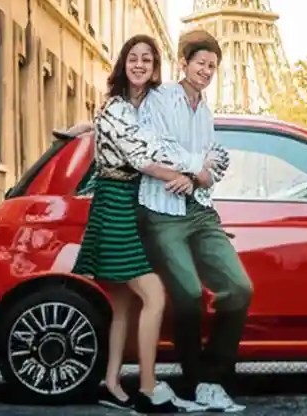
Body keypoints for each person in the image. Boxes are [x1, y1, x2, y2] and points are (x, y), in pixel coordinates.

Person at [72, 34, 223, 414]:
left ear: (156, 68)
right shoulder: (119, 108)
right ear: (123, 63)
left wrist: (83, 128)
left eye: (148, 60)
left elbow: (155, 142)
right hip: (117, 204)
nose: (139, 65)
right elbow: (143, 158)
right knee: (154, 296)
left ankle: (110, 383)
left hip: (135, 202)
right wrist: (195, 173)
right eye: (133, 58)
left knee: (124, 305)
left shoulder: (144, 107)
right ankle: (148, 388)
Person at [137, 30, 252, 414]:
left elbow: (213, 157)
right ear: (183, 63)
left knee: (238, 288)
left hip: (199, 210)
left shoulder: (204, 110)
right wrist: (194, 169)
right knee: (187, 295)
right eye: (201, 63)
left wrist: (204, 172)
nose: (206, 71)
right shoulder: (158, 98)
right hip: (162, 210)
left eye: (212, 67)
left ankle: (212, 379)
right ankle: (195, 380)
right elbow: (155, 147)